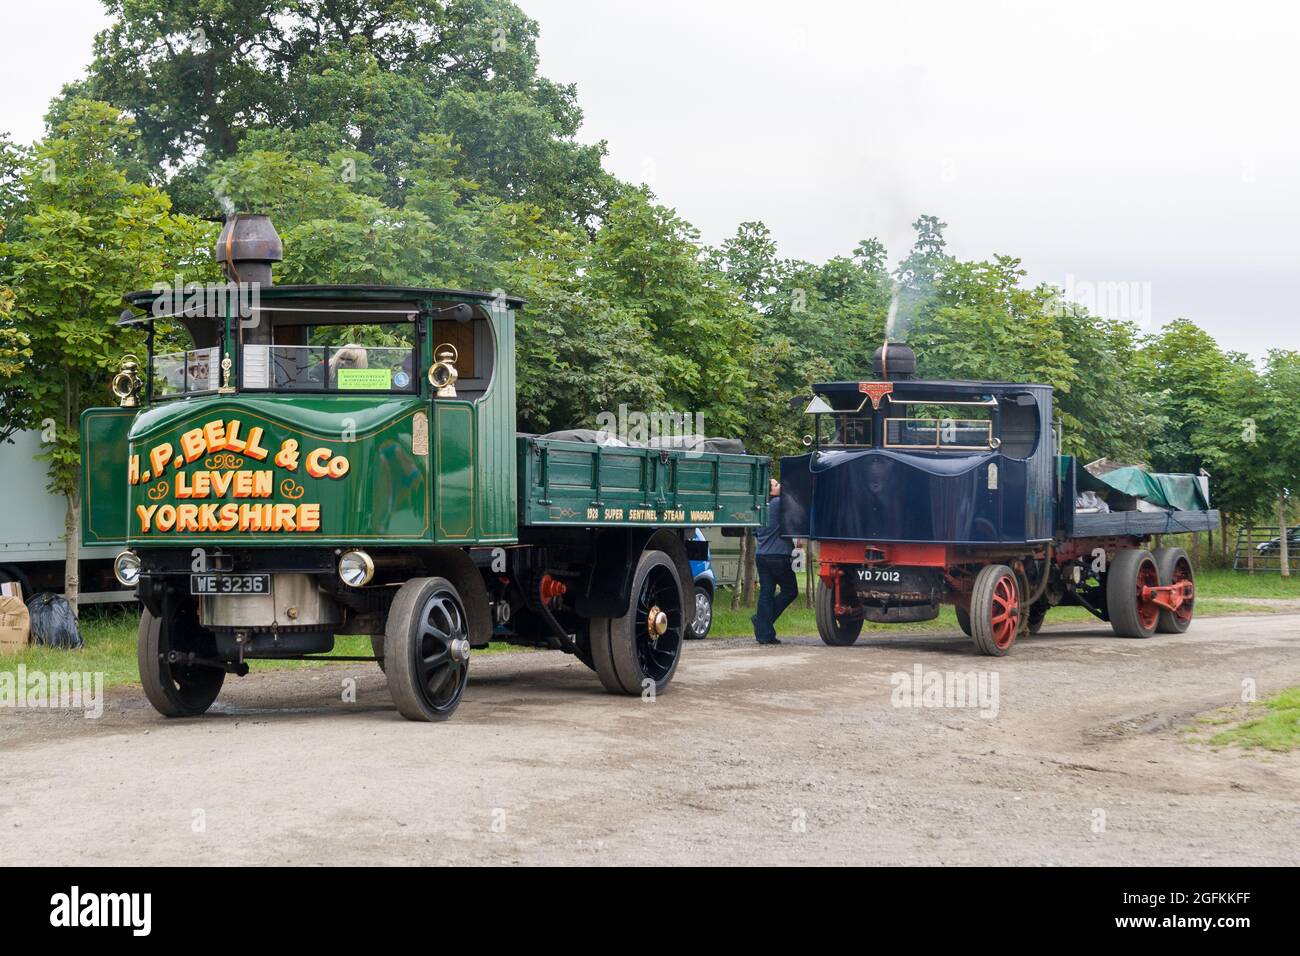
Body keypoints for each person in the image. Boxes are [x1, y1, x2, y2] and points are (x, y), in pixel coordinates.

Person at [752, 478, 798, 645]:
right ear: (771, 491)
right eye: (777, 484)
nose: (781, 486)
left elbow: (755, 532)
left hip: (761, 556)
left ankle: (764, 633)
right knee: (790, 590)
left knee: (766, 592)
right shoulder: (779, 503)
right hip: (779, 556)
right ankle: (761, 621)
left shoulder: (759, 508)